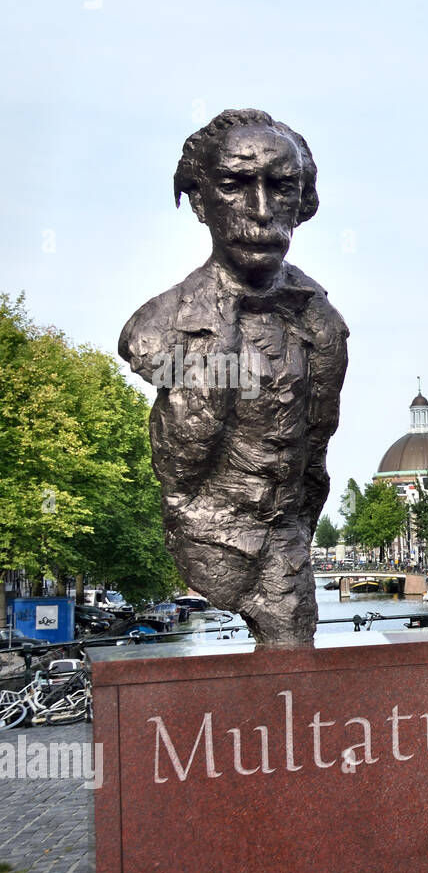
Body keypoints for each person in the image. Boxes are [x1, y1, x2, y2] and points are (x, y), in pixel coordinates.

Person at [119, 109, 348, 645]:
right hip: (211, 534)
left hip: (288, 543)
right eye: (235, 185)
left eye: (282, 187)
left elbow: (314, 455)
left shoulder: (325, 324)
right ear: (200, 201)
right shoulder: (156, 329)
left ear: (303, 201)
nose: (262, 210)